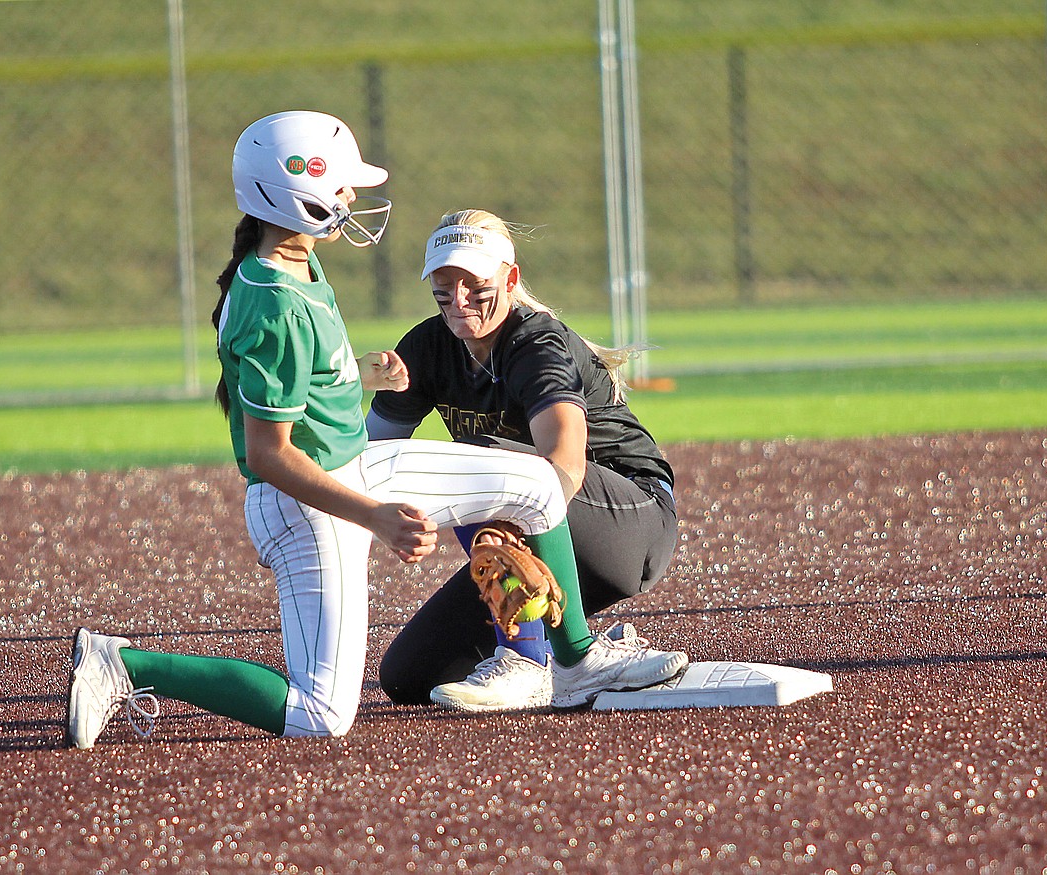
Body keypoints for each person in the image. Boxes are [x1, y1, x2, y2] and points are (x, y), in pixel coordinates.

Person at [64, 112, 687, 748]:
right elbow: (269, 455)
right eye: (339, 186)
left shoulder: (294, 263)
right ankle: (124, 664)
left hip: (350, 468)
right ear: (291, 189)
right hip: (310, 499)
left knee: (532, 483)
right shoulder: (275, 300)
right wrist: (375, 516)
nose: (350, 198)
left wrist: (355, 373)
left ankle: (569, 661)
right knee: (321, 715)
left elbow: (301, 379)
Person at [370, 209, 680, 713]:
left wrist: (508, 525)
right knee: (408, 677)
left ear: (510, 278)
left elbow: (565, 464)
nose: (459, 299)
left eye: (474, 282)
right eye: (443, 284)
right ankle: (566, 649)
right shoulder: (426, 347)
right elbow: (371, 460)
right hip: (547, 535)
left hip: (633, 523)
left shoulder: (537, 343)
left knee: (478, 458)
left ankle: (545, 660)